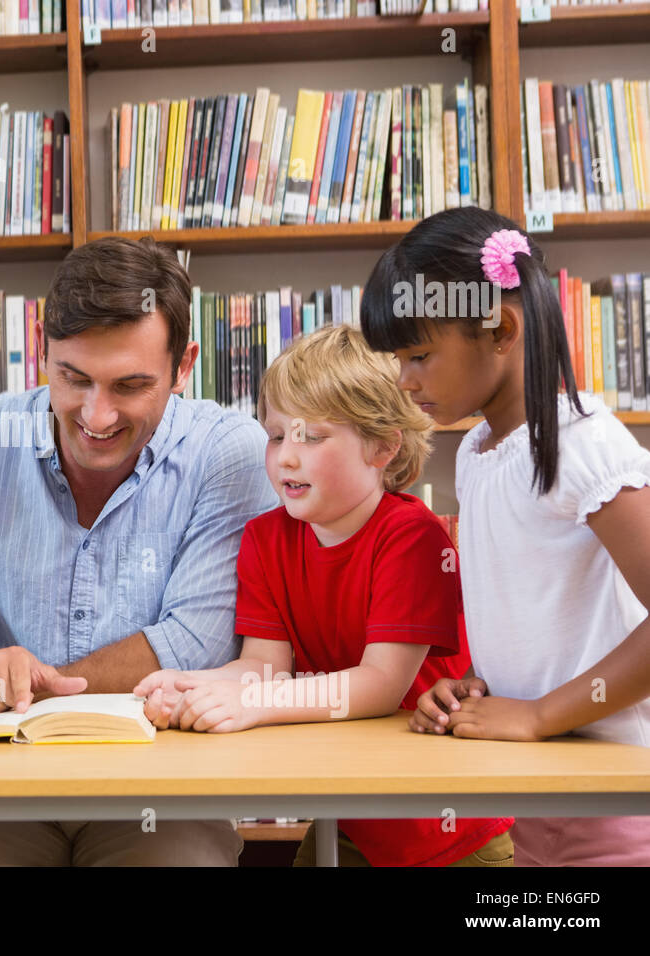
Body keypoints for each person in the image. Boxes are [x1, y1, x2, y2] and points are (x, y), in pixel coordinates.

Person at [0, 236, 279, 866]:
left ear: (184, 365)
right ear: (42, 350)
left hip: (163, 787)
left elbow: (196, 642)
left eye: (130, 385)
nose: (97, 415)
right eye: (74, 378)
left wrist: (41, 693)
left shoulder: (230, 454)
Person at [136, 325, 515, 866]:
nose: (286, 458)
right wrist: (191, 684)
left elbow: (380, 686)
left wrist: (256, 702)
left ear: (383, 446)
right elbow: (262, 668)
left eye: (311, 437)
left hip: (448, 833)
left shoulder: (411, 537)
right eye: (274, 436)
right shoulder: (265, 539)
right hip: (351, 818)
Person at [362, 207, 650, 866]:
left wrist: (541, 714)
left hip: (614, 800)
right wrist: (472, 686)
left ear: (502, 330)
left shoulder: (583, 447)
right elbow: (532, 617)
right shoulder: (480, 451)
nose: (405, 380)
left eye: (418, 355)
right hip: (537, 796)